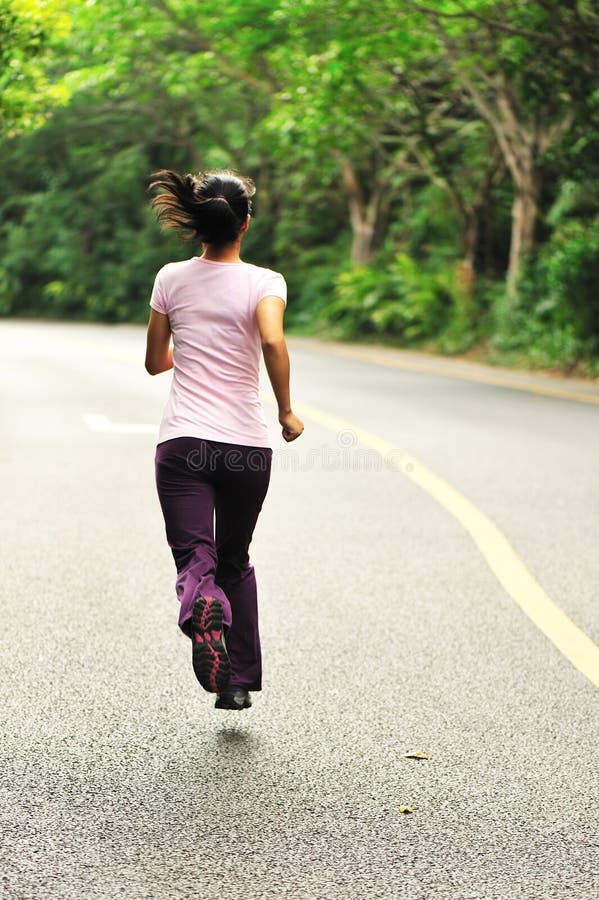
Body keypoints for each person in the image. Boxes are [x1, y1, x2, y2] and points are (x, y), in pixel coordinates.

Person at [145, 169, 304, 711]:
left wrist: (187, 354)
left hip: (185, 444)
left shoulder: (171, 278)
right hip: (246, 447)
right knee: (235, 558)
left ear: (200, 224)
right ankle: (235, 684)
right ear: (245, 224)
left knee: (197, 558)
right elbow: (273, 340)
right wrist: (285, 409)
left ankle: (203, 609)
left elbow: (154, 362)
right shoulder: (266, 282)